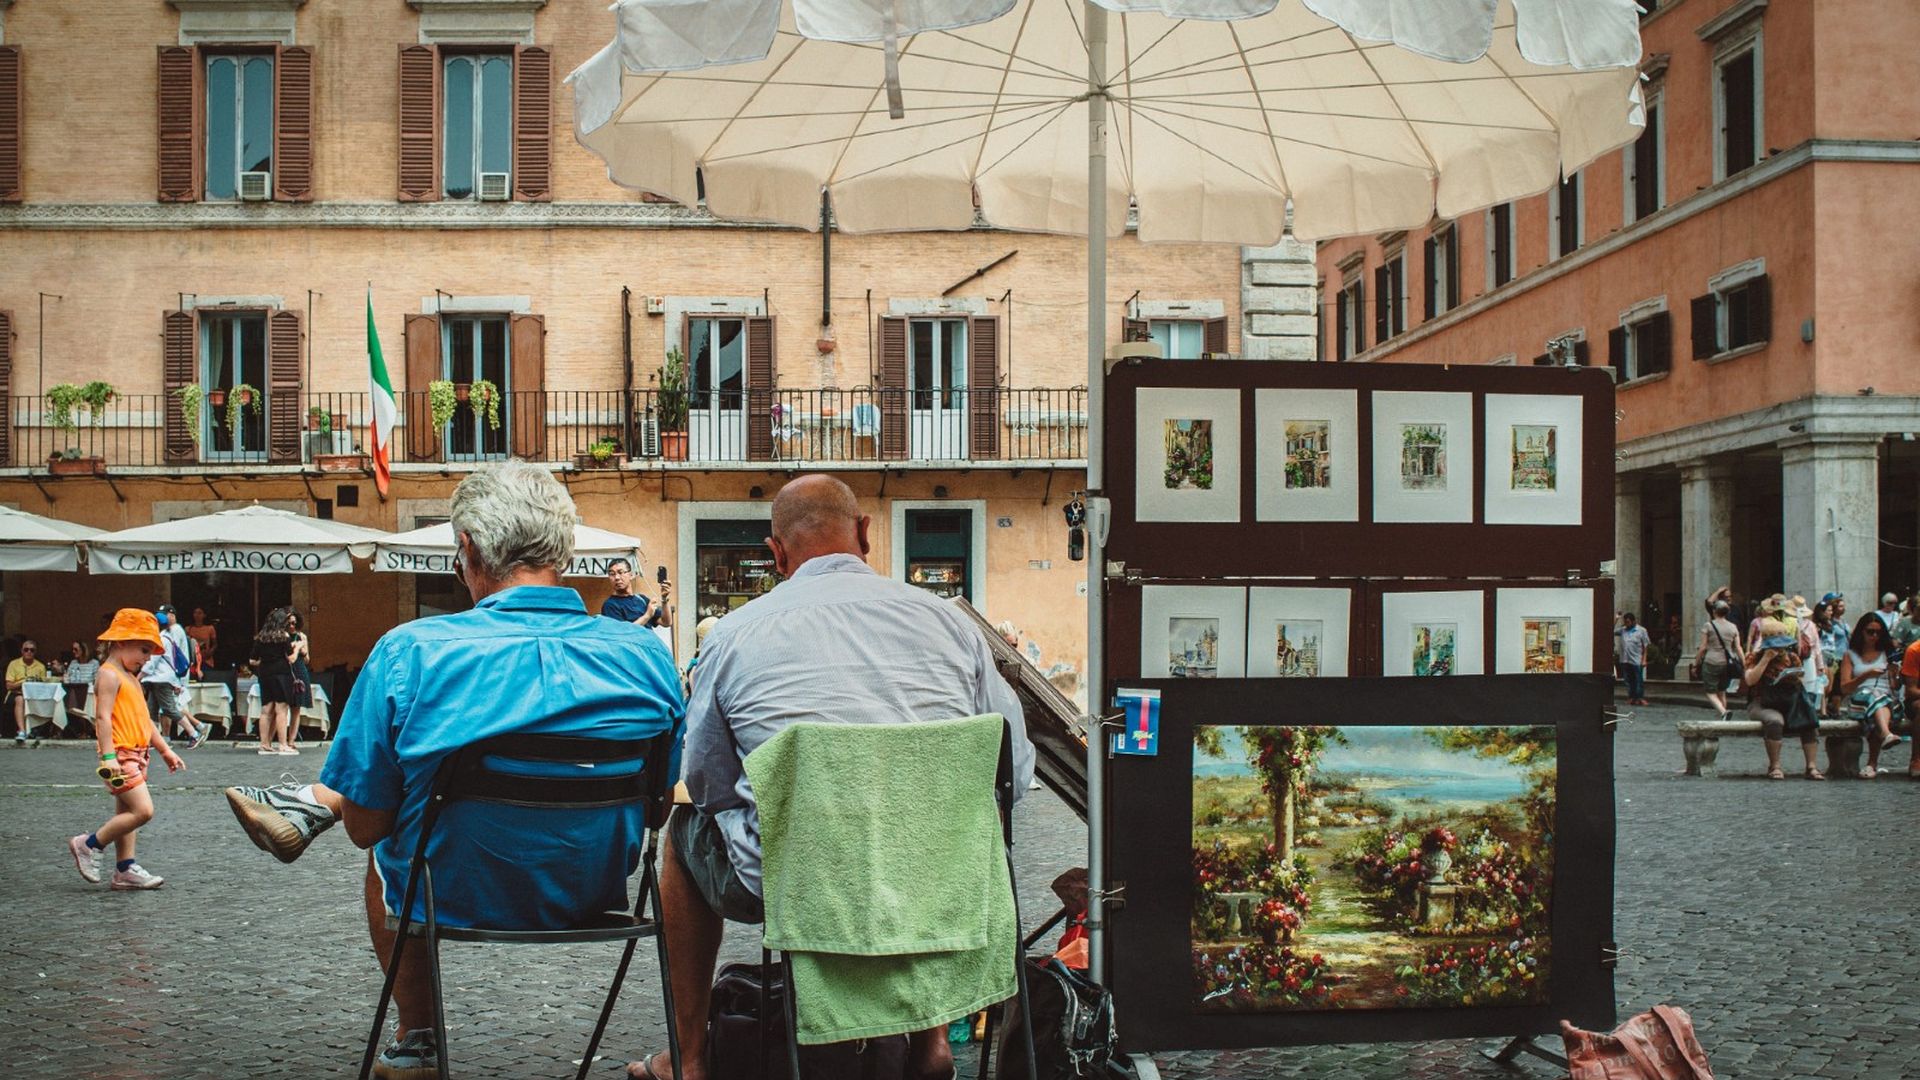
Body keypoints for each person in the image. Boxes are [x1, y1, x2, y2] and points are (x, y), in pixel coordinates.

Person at [220, 460, 683, 1080]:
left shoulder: (412, 650)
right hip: (595, 887)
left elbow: (366, 827)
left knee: (382, 841)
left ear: (467, 550)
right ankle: (309, 803)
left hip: (451, 891)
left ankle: (418, 1038)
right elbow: (658, 806)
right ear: (566, 551)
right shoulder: (646, 657)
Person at [625, 474, 1035, 1080]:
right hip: (935, 875)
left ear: (776, 553)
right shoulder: (951, 626)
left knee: (685, 837)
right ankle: (929, 1048)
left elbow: (706, 782)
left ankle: (688, 1061)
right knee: (919, 831)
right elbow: (1013, 772)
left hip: (798, 882)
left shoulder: (735, 634)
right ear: (865, 534)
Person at [65, 609, 185, 890]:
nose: (147, 658)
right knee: (143, 811)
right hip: (119, 756)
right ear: (121, 642)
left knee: (126, 815)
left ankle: (125, 868)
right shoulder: (109, 674)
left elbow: (146, 720)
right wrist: (108, 757)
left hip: (137, 754)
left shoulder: (130, 677)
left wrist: (165, 750)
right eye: (144, 650)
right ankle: (88, 844)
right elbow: (102, 717)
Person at [1745, 629, 1822, 781]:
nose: (1780, 651)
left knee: (1809, 719)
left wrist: (1791, 676)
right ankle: (1775, 766)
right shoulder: (1754, 657)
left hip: (1788, 700)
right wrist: (1765, 660)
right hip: (1762, 702)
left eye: (1782, 647)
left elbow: (1800, 678)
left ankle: (1811, 766)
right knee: (1775, 721)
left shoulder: (1792, 657)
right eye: (1776, 647)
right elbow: (1750, 680)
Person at [1833, 618, 1902, 779]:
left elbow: (1895, 687)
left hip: (1887, 701)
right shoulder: (1850, 655)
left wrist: (1895, 673)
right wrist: (1866, 676)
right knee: (1872, 696)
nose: (1874, 636)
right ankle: (1883, 740)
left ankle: (1873, 763)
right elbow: (1844, 688)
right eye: (1870, 632)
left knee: (1878, 701)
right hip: (1859, 699)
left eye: (1878, 632)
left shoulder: (1887, 654)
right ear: (1861, 632)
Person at [249, 607, 298, 756]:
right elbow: (291, 659)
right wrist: (297, 648)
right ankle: (283, 745)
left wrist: (266, 661)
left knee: (266, 709)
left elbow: (252, 660)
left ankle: (264, 744)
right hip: (282, 674)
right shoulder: (283, 636)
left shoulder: (261, 637)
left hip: (265, 674)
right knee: (281, 710)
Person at [1694, 589, 1743, 719]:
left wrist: (1695, 663)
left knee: (1710, 692)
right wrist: (1744, 663)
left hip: (1712, 661)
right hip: (1727, 662)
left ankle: (1723, 712)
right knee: (1722, 691)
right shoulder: (1733, 627)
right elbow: (1738, 647)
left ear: (1714, 611)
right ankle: (1722, 716)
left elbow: (1703, 647)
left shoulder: (1708, 626)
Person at [602, 558, 671, 628]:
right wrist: (647, 616)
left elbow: (666, 622)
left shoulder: (642, 599)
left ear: (631, 575)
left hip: (650, 638)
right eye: (612, 574)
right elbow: (622, 633)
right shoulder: (610, 605)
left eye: (620, 572)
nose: (616, 577)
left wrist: (664, 599)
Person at [8, 638, 48, 746]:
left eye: (32, 650)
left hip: (34, 694)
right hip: (17, 693)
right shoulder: (13, 664)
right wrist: (22, 683)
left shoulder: (40, 666)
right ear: (22, 651)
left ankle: (36, 730)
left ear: (35, 652)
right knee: (20, 699)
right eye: (26, 650)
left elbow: (43, 685)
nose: (29, 652)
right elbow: (9, 685)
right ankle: (22, 731)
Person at [286, 609, 314, 741]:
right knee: (283, 706)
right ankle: (282, 738)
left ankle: (291, 739)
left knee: (296, 708)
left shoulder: (302, 636)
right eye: (289, 623)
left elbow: (307, 659)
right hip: (285, 670)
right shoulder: (282, 637)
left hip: (299, 670)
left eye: (294, 623)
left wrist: (302, 650)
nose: (291, 626)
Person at [1614, 613, 1651, 706]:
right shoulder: (1623, 630)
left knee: (1638, 679)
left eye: (1628, 622)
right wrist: (1616, 619)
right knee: (1628, 680)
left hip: (1636, 659)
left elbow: (1645, 646)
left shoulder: (1641, 631)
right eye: (1625, 622)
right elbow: (1610, 631)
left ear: (1634, 621)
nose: (1626, 624)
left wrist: (1644, 659)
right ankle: (1631, 697)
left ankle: (1640, 697)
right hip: (1625, 659)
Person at [62, 641, 100, 732]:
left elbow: (96, 678)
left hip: (88, 690)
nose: (73, 651)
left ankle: (87, 728)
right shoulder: (73, 662)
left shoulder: (94, 663)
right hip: (74, 689)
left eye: (76, 649)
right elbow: (68, 677)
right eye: (72, 649)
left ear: (83, 650)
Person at [183, 606, 218, 676]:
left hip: (206, 660)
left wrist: (210, 652)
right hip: (193, 661)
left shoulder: (210, 628)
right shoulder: (188, 629)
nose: (197, 615)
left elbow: (215, 644)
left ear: (204, 615)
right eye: (195, 613)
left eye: (199, 613)